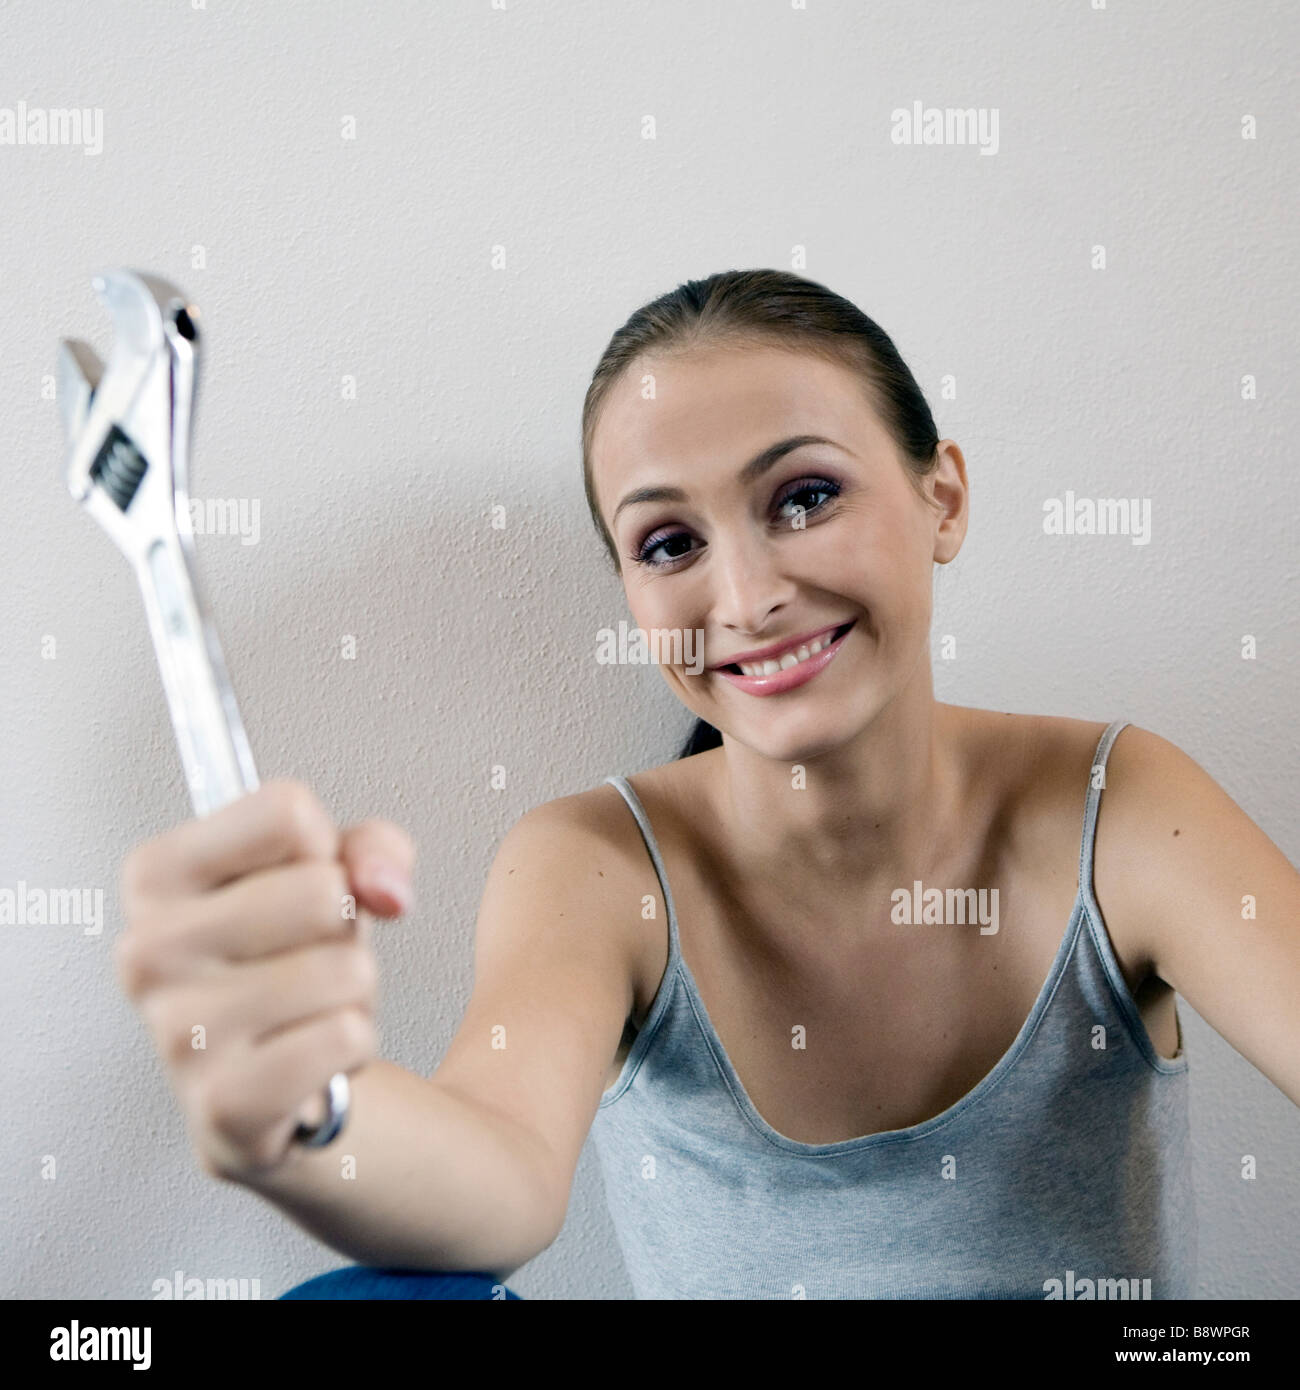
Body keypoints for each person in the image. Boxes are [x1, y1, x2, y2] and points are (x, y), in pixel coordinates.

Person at [115, 269, 1300, 1300]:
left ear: (942, 496)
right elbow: (501, 1177)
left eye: (804, 496)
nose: (742, 598)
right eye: (670, 543)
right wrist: (310, 1115)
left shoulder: (1120, 806)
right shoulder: (593, 864)